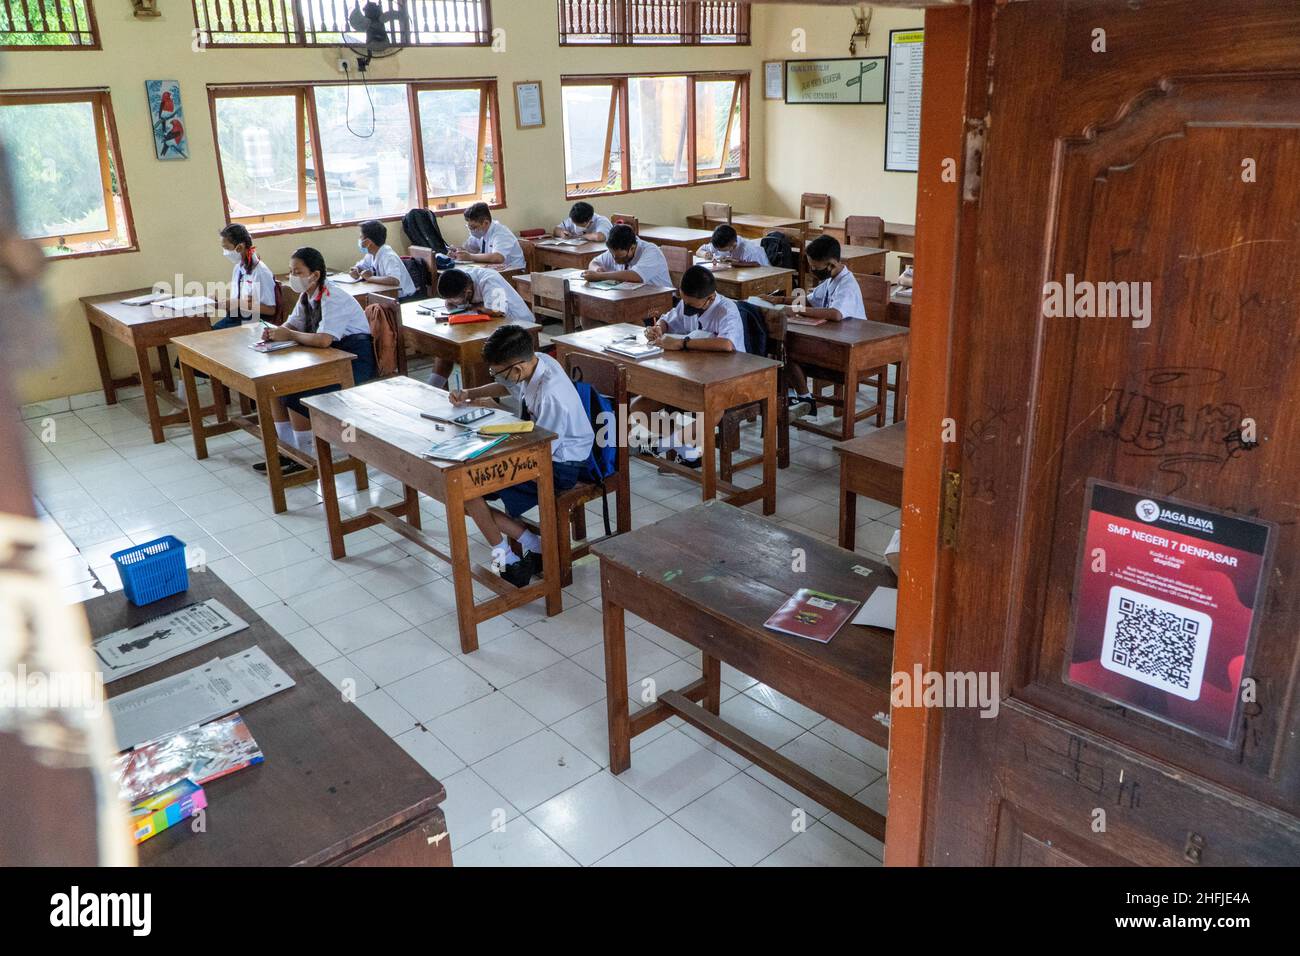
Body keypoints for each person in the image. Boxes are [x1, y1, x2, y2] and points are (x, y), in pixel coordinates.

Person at [449, 325, 594, 587]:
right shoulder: (536, 362)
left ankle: (508, 556)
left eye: (498, 371)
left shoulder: (552, 395)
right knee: (466, 487)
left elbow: (541, 448)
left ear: (517, 368)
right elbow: (508, 387)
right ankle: (529, 544)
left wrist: (496, 455)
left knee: (469, 489)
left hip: (562, 465)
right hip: (544, 448)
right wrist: (470, 394)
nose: (497, 376)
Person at [254, 247, 377, 476]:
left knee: (296, 395)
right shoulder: (307, 296)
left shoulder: (334, 297)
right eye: (291, 271)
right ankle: (287, 452)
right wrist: (274, 333)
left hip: (352, 363)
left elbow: (323, 340)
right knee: (275, 389)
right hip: (329, 360)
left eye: (297, 271)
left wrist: (289, 335)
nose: (292, 276)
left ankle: (305, 457)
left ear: (315, 274)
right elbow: (293, 324)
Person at [634, 265, 744, 466]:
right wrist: (658, 328)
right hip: (691, 375)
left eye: (692, 303)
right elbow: (669, 320)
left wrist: (682, 343)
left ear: (709, 298)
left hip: (725, 378)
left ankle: (670, 443)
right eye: (684, 301)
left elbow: (727, 344)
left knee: (714, 404)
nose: (687, 307)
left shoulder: (726, 310)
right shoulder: (688, 303)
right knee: (637, 408)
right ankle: (686, 449)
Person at [762, 235, 867, 411]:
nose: (812, 270)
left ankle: (803, 400)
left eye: (815, 267)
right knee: (781, 349)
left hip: (848, 346)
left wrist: (795, 310)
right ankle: (801, 398)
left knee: (789, 351)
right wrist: (775, 299)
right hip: (831, 337)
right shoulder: (831, 280)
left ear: (832, 265)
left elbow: (836, 313)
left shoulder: (847, 284)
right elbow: (810, 300)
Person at [427, 266, 535, 389]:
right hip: (489, 325)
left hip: (519, 326)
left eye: (455, 301)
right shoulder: (460, 278)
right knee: (445, 348)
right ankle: (433, 388)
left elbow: (497, 310)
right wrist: (452, 305)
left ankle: (477, 395)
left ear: (467, 292)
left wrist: (475, 307)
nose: (452, 303)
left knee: (474, 350)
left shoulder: (489, 280)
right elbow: (452, 303)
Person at [218, 224, 277, 328]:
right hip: (236, 319)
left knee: (212, 338)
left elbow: (270, 310)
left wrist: (239, 303)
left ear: (240, 247)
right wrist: (218, 301)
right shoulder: (238, 268)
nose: (225, 253)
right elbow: (237, 301)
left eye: (226, 248)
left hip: (253, 323)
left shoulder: (260, 272)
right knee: (204, 331)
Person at [582, 223, 672, 288]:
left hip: (661, 301)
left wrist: (600, 276)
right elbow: (594, 262)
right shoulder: (616, 250)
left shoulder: (651, 251)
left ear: (632, 248)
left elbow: (636, 276)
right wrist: (597, 270)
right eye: (612, 255)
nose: (615, 260)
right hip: (634, 297)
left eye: (620, 257)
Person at [350, 219, 416, 299]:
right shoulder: (371, 254)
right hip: (387, 295)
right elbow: (361, 266)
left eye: (361, 237)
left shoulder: (388, 256)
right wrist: (355, 270)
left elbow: (394, 280)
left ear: (368, 242)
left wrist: (370, 278)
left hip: (403, 298)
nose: (359, 241)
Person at [449, 202, 526, 270]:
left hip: (513, 273)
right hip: (495, 270)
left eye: (474, 227)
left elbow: (498, 258)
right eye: (469, 227)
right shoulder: (481, 232)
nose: (472, 230)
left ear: (485, 223)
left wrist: (470, 257)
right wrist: (457, 252)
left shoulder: (501, 233)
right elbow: (469, 248)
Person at [695, 223, 771, 267]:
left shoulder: (750, 250)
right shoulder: (719, 243)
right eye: (717, 249)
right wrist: (705, 254)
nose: (718, 251)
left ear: (733, 246)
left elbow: (760, 267)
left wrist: (735, 262)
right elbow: (699, 251)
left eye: (722, 250)